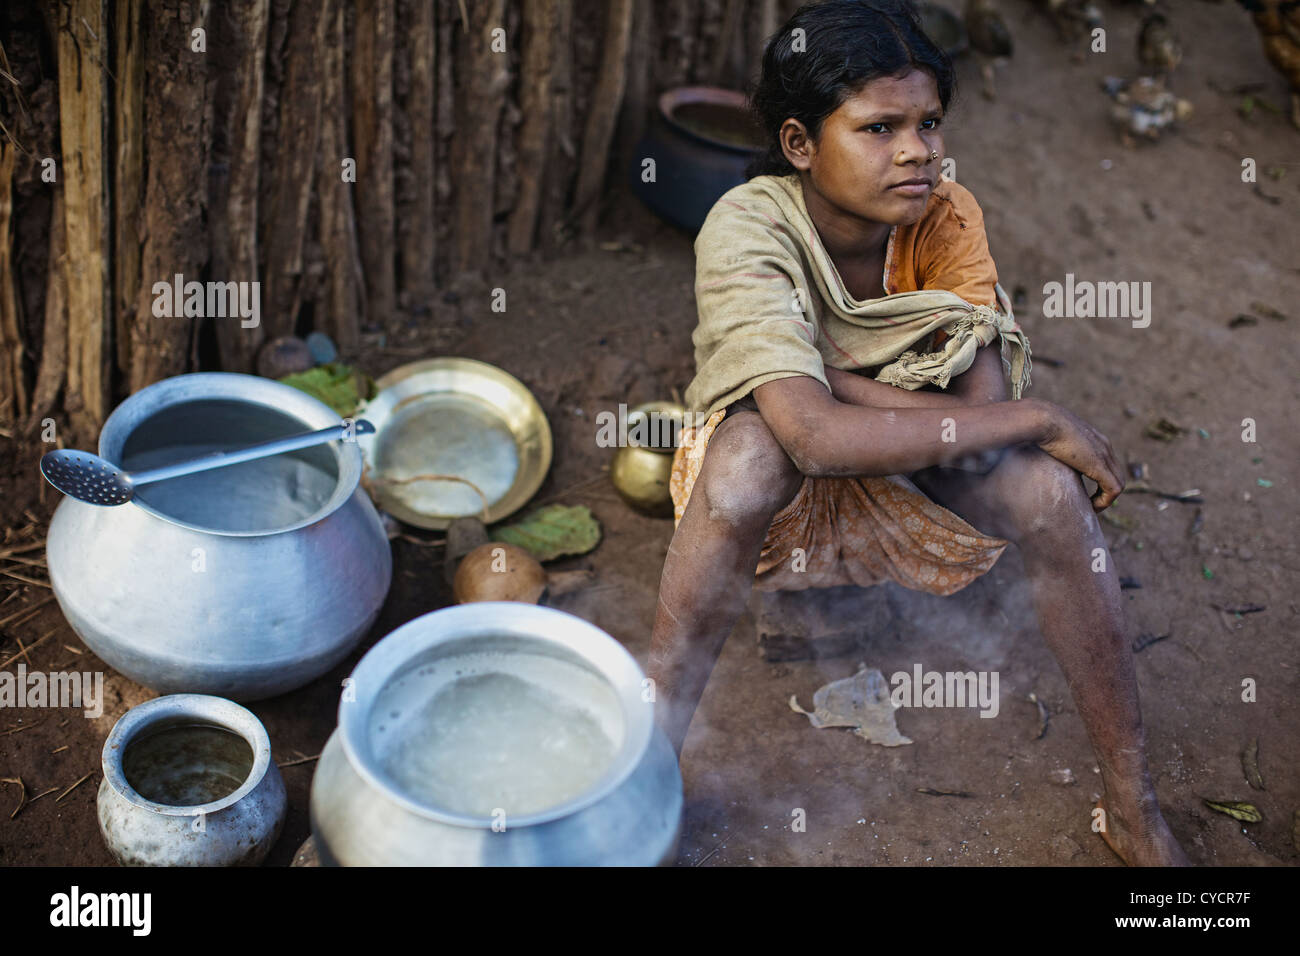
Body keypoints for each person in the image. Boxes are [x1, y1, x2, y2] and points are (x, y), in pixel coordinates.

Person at [647, 0, 1189, 867]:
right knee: (746, 461)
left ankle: (1133, 807)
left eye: (929, 122)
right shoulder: (749, 227)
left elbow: (975, 423)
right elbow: (810, 440)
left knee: (1048, 493)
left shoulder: (946, 215)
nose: (917, 150)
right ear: (799, 145)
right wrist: (1041, 414)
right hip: (799, 460)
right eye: (878, 127)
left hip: (914, 459)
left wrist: (835, 381)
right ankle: (649, 761)